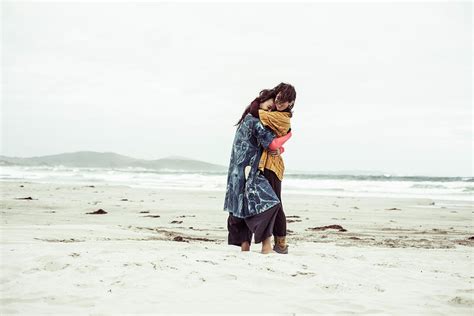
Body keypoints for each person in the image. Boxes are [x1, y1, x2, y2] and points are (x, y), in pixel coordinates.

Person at [224, 83, 295, 254]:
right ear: (261, 102)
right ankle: (267, 245)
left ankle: (246, 245)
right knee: (270, 203)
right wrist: (288, 136)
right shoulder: (256, 121)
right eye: (270, 105)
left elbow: (266, 144)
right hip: (252, 167)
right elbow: (271, 143)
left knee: (240, 205)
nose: (271, 109)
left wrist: (279, 148)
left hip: (237, 169)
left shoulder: (247, 119)